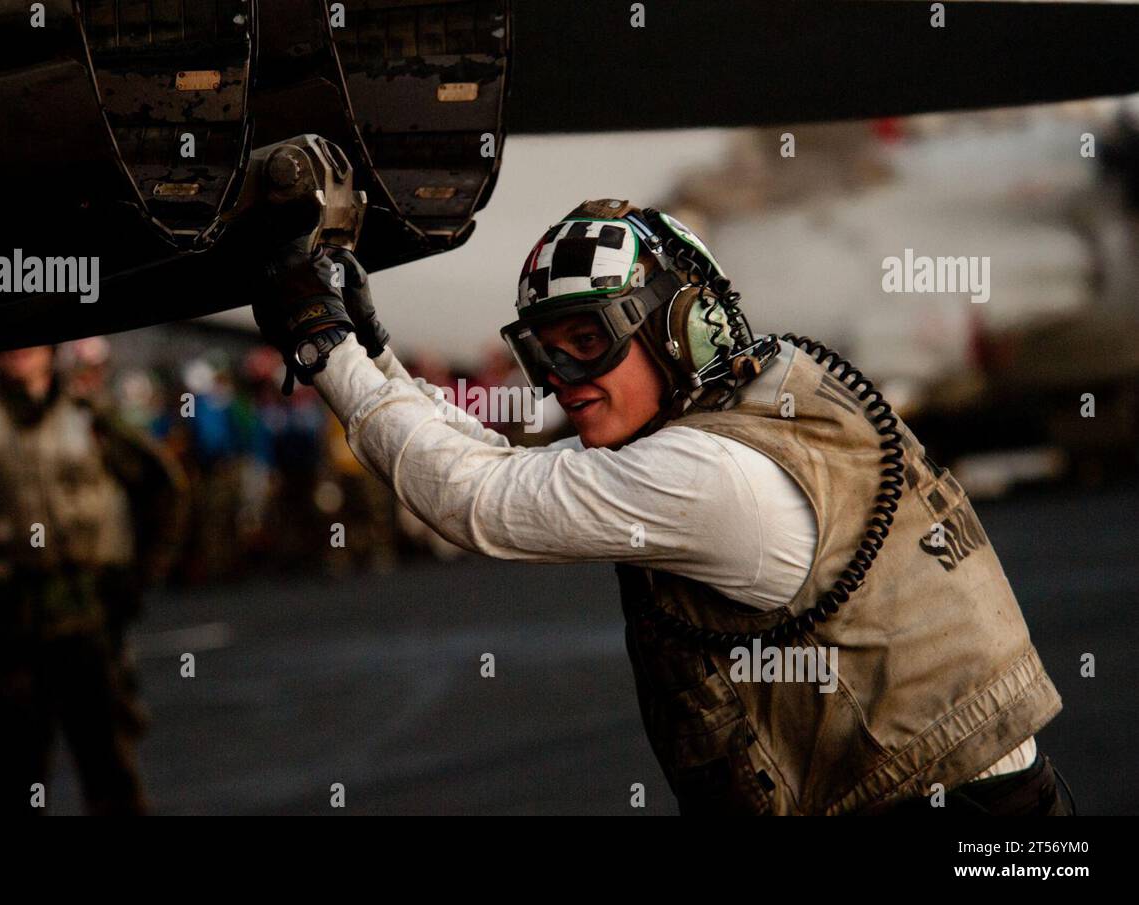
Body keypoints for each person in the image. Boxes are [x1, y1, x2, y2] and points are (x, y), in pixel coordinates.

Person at [253, 198, 1075, 816]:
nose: (564, 377)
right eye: (544, 351)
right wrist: (375, 351)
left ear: (682, 328)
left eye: (589, 340)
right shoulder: (760, 398)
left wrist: (324, 347)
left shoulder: (709, 472)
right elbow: (502, 464)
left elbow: (480, 499)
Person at [0, 344, 188, 815]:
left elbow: (164, 488)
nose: (19, 350)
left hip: (89, 622)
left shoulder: (92, 420)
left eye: (33, 339)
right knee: (10, 781)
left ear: (53, 349)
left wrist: (140, 575)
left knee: (111, 775)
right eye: (7, 341)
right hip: (6, 630)